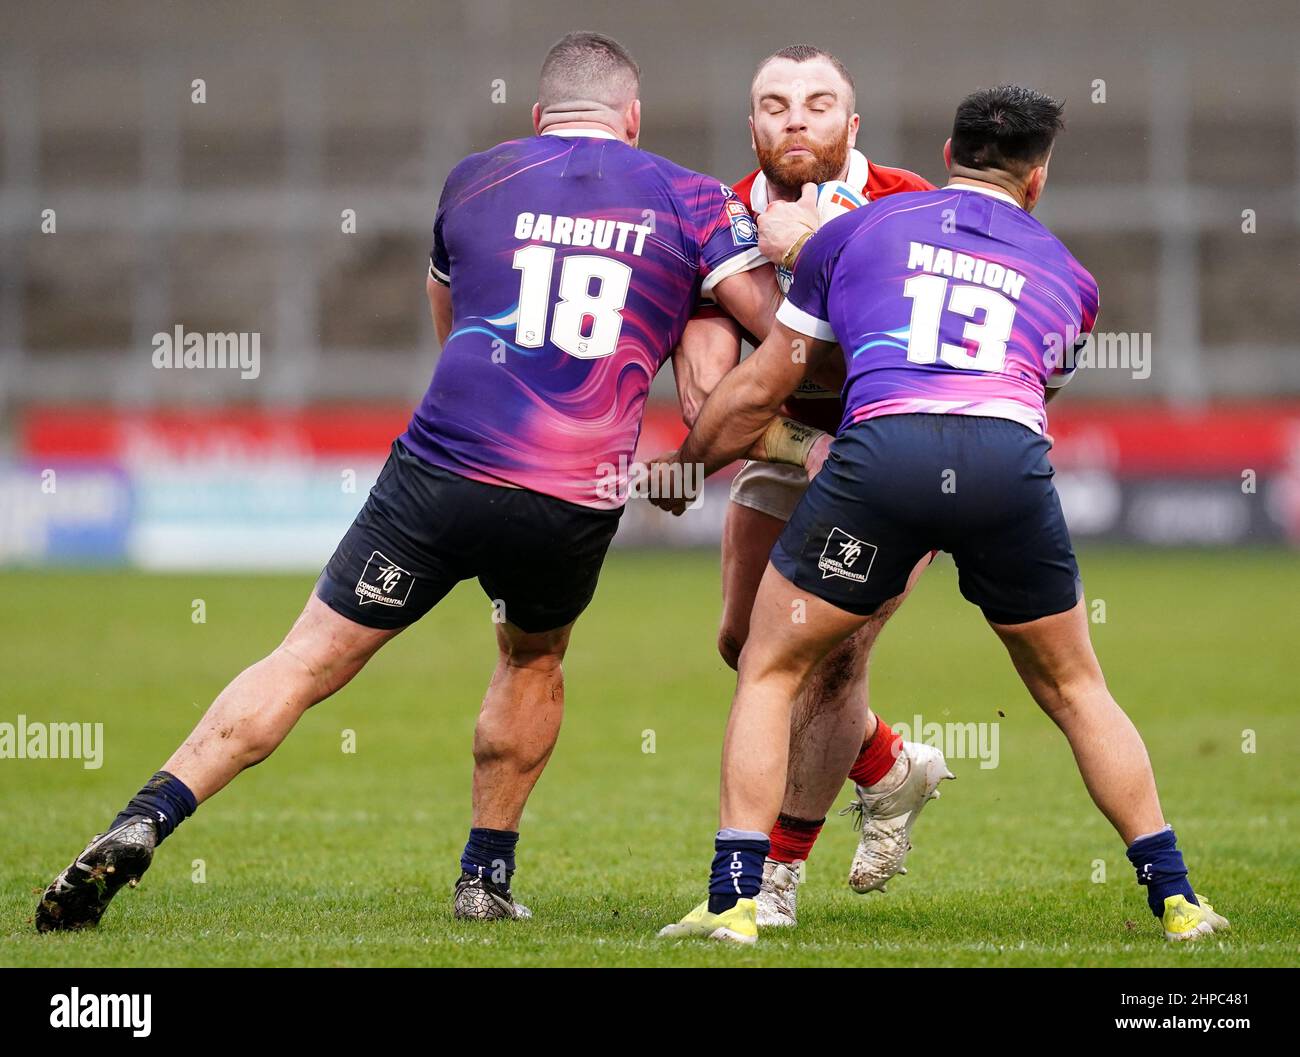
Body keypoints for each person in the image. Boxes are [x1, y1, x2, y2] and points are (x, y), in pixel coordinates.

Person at [35, 30, 789, 932]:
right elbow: (781, 334)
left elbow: (454, 324)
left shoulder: (475, 179)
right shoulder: (688, 196)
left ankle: (143, 817)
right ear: (633, 118)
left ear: (539, 115)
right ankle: (483, 878)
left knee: (304, 661)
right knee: (532, 657)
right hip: (572, 492)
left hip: (443, 467)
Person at [656, 84, 1229, 944]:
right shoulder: (1073, 278)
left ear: (948, 156)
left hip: (883, 455)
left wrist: (681, 464)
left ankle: (736, 899)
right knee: (1077, 688)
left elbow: (765, 383)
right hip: (1007, 462)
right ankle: (1180, 898)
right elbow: (1033, 386)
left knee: (770, 666)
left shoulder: (859, 230)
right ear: (1037, 180)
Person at [670, 44, 950, 927]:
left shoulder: (907, 204)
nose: (797, 118)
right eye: (776, 104)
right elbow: (711, 396)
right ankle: (890, 768)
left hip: (889, 459)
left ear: (850, 124)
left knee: (830, 658)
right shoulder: (722, 219)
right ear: (751, 125)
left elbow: (933, 359)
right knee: (744, 648)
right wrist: (799, 445)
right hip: (785, 451)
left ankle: (777, 875)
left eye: (819, 103)